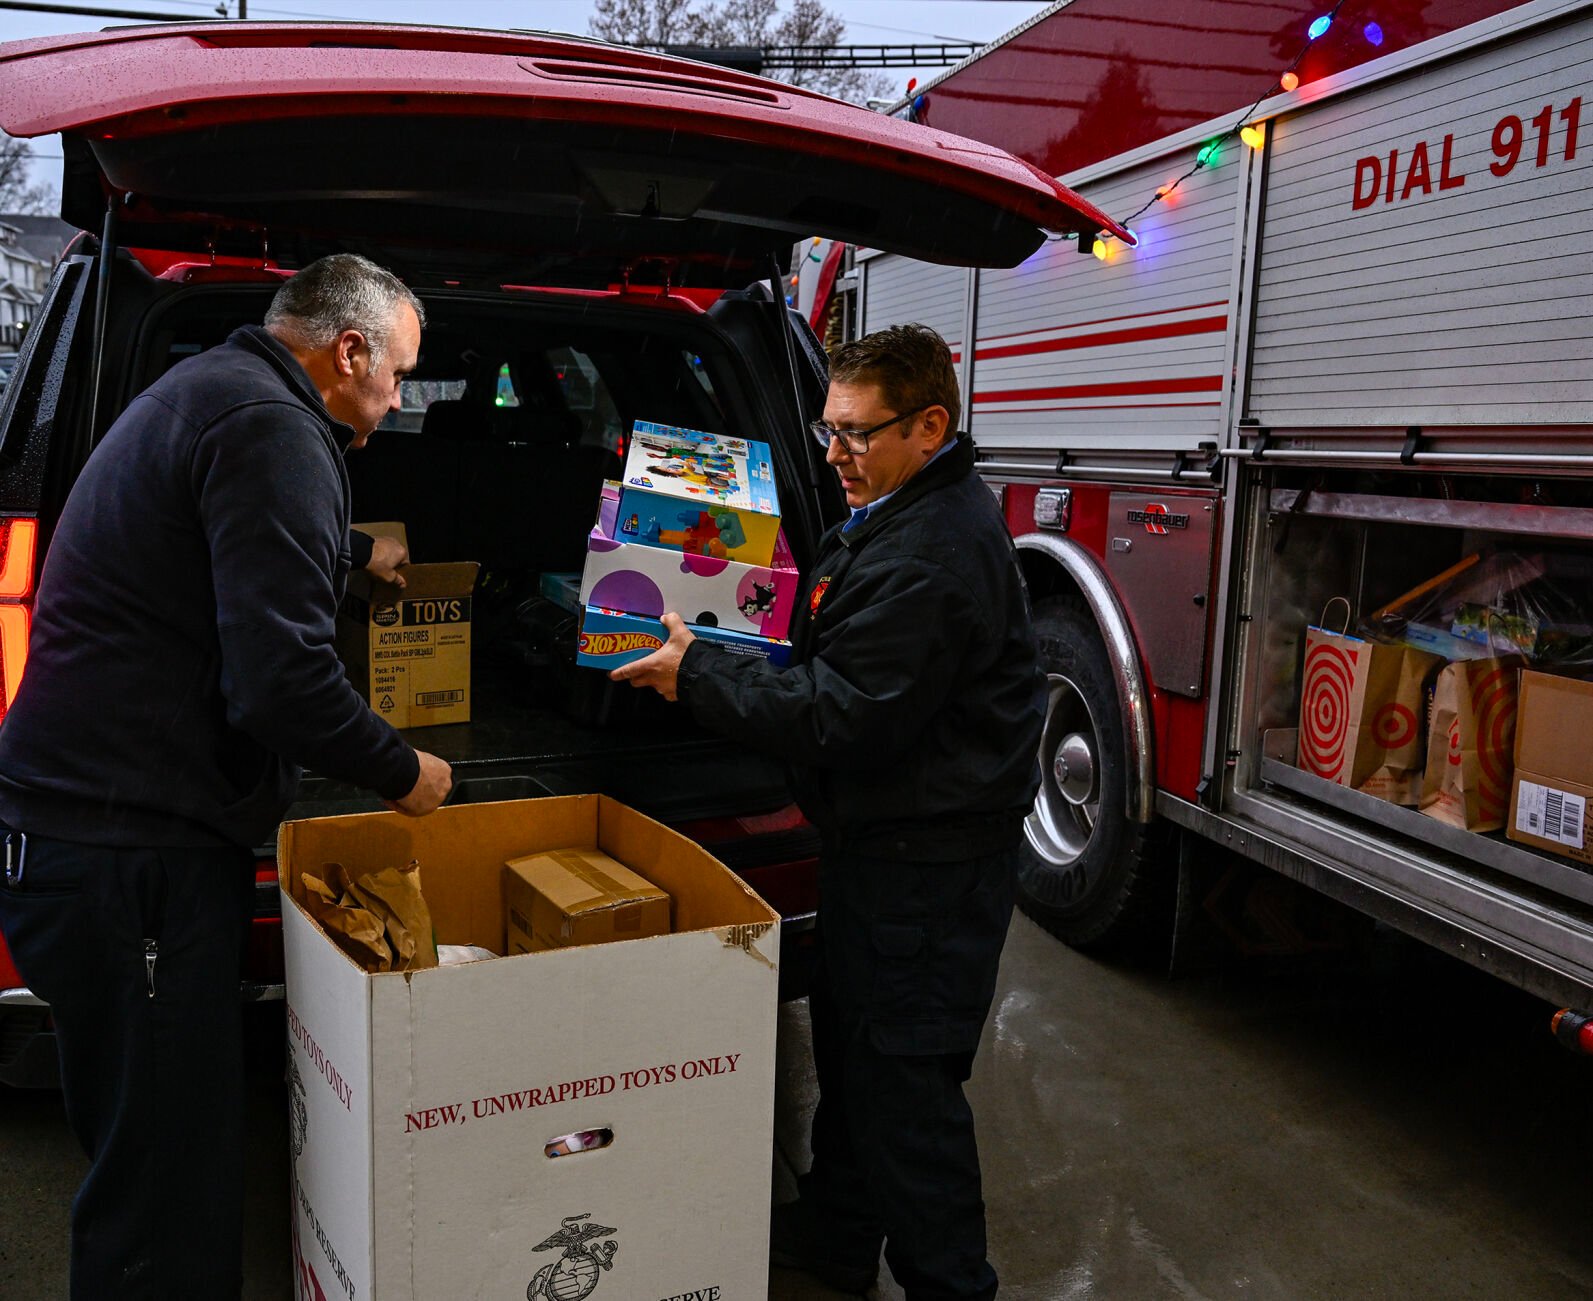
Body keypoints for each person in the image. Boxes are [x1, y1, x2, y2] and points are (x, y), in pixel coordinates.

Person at [0, 253, 453, 1299]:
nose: (396, 403)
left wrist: (347, 552)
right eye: (400, 376)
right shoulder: (272, 426)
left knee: (152, 1150)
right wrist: (403, 771)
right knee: (165, 1188)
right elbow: (282, 682)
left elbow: (214, 536)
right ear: (349, 351)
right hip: (132, 859)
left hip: (91, 842)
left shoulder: (218, 390)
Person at [613, 323, 1044, 1299]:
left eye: (856, 433)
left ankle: (949, 1282)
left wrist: (697, 671)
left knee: (905, 1096)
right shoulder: (903, 507)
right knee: (857, 1062)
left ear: (930, 425)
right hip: (883, 847)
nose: (833, 455)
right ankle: (836, 1238)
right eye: (825, 430)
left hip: (923, 874)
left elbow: (842, 711)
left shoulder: (934, 554)